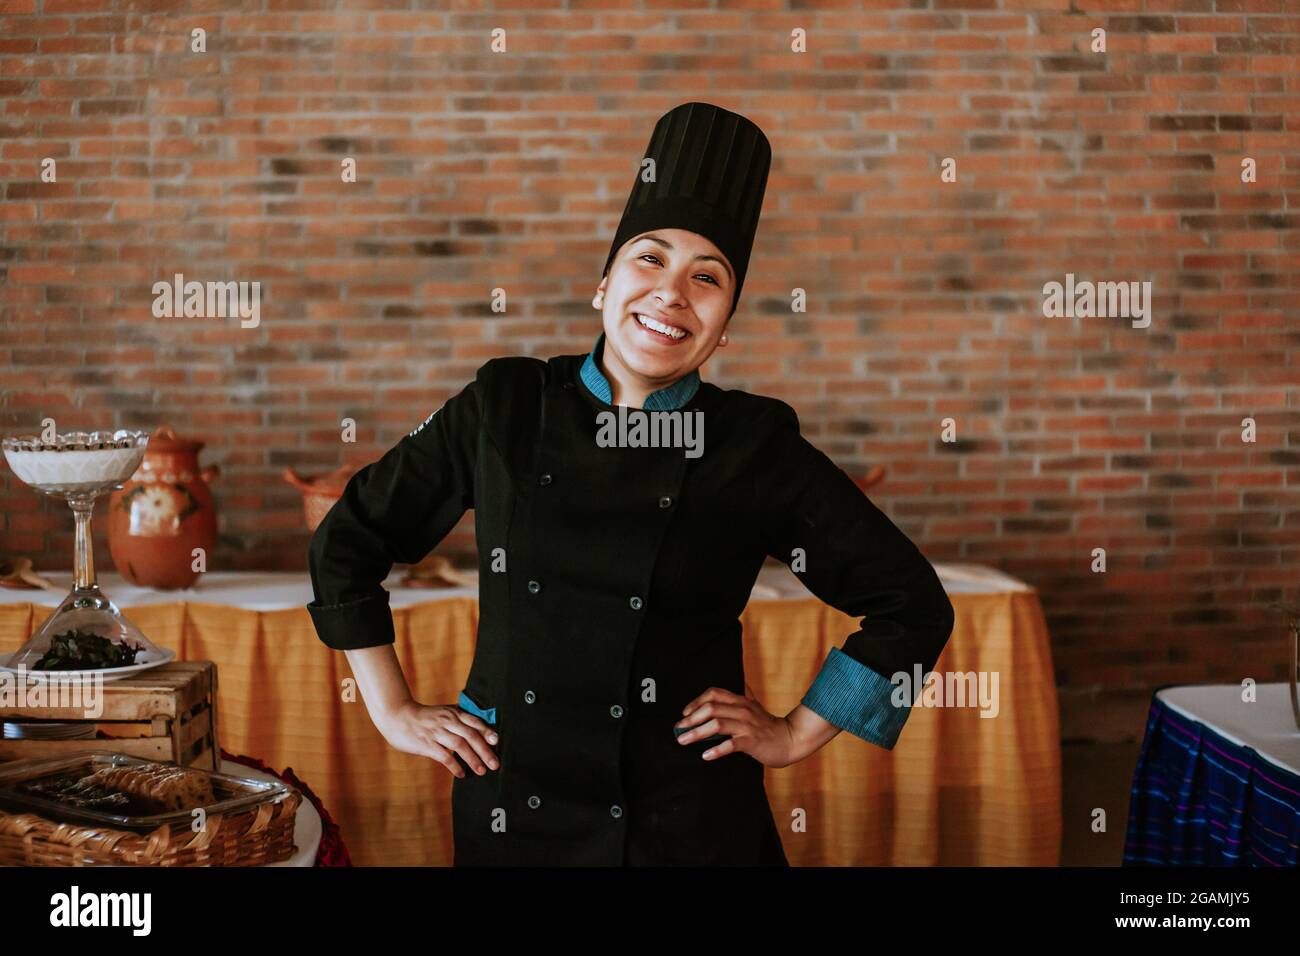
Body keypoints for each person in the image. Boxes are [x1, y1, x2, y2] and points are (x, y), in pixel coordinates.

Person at [306, 102, 955, 866]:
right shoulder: (505, 405)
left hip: (689, 817)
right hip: (516, 801)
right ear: (602, 283)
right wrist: (393, 711)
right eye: (650, 258)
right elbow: (349, 540)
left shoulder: (751, 445)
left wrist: (792, 734)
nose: (672, 293)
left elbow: (912, 606)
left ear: (725, 325)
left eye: (706, 278)